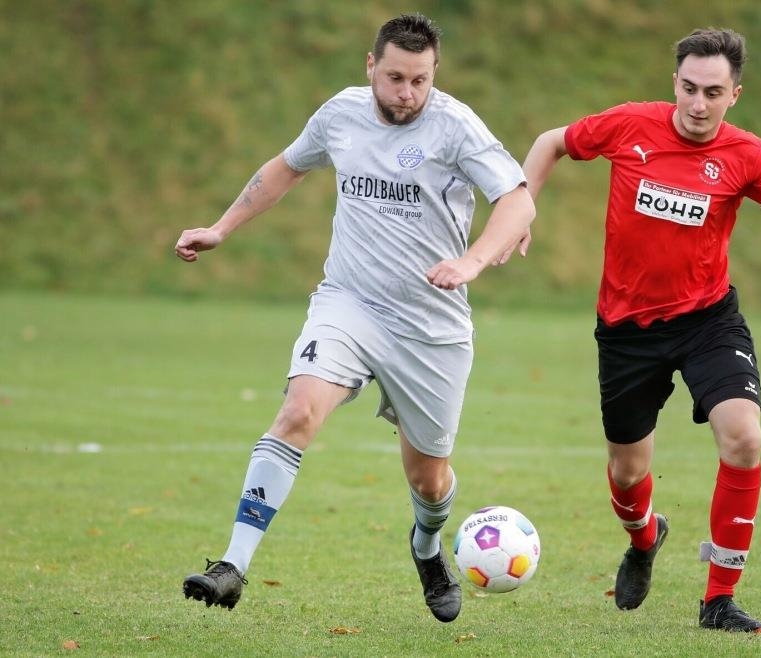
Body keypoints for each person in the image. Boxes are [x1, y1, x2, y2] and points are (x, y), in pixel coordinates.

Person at [521, 28, 761, 633]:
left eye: (712, 92)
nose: (697, 105)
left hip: (707, 320)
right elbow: (551, 143)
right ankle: (645, 537)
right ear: (673, 82)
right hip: (626, 329)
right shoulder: (630, 126)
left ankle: (718, 599)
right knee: (627, 472)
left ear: (735, 94)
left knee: (744, 438)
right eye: (688, 88)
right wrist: (524, 208)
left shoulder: (747, 155)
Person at [175, 13, 535, 623]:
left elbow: (517, 199)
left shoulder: (455, 126)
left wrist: (472, 261)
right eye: (394, 78)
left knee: (428, 479)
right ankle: (232, 566)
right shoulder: (341, 113)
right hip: (349, 303)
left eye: (420, 80)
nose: (406, 94)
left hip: (431, 327)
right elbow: (285, 167)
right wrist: (220, 227)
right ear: (371, 66)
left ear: (434, 74)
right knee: (297, 412)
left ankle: (425, 546)